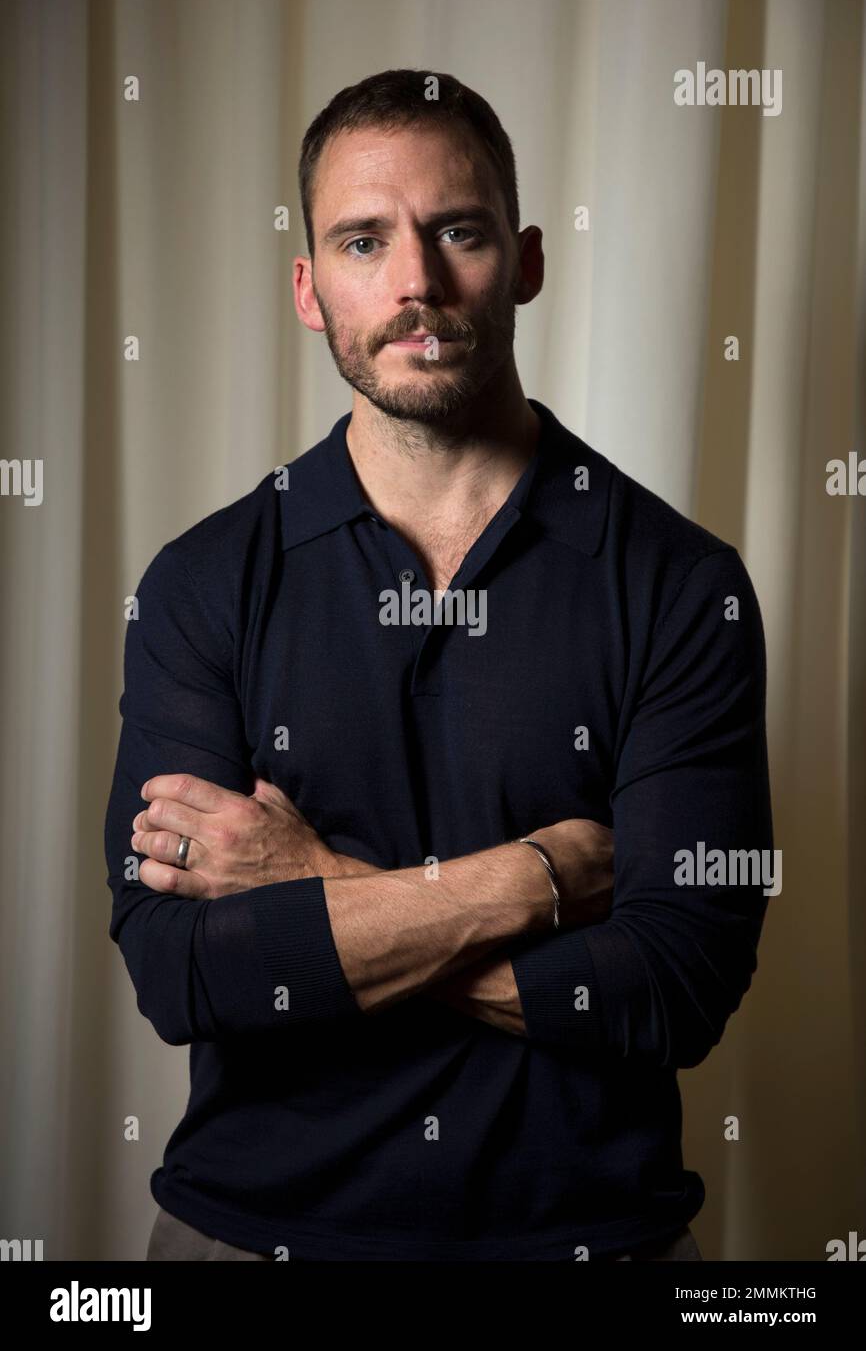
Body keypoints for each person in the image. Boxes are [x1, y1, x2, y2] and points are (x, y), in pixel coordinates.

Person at [105, 69, 772, 1262]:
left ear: (521, 260)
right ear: (309, 290)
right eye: (363, 241)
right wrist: (530, 880)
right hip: (248, 1242)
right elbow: (182, 974)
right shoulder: (201, 582)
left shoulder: (680, 583)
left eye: (454, 230)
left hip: (585, 1244)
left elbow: (676, 984)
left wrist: (312, 883)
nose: (413, 281)